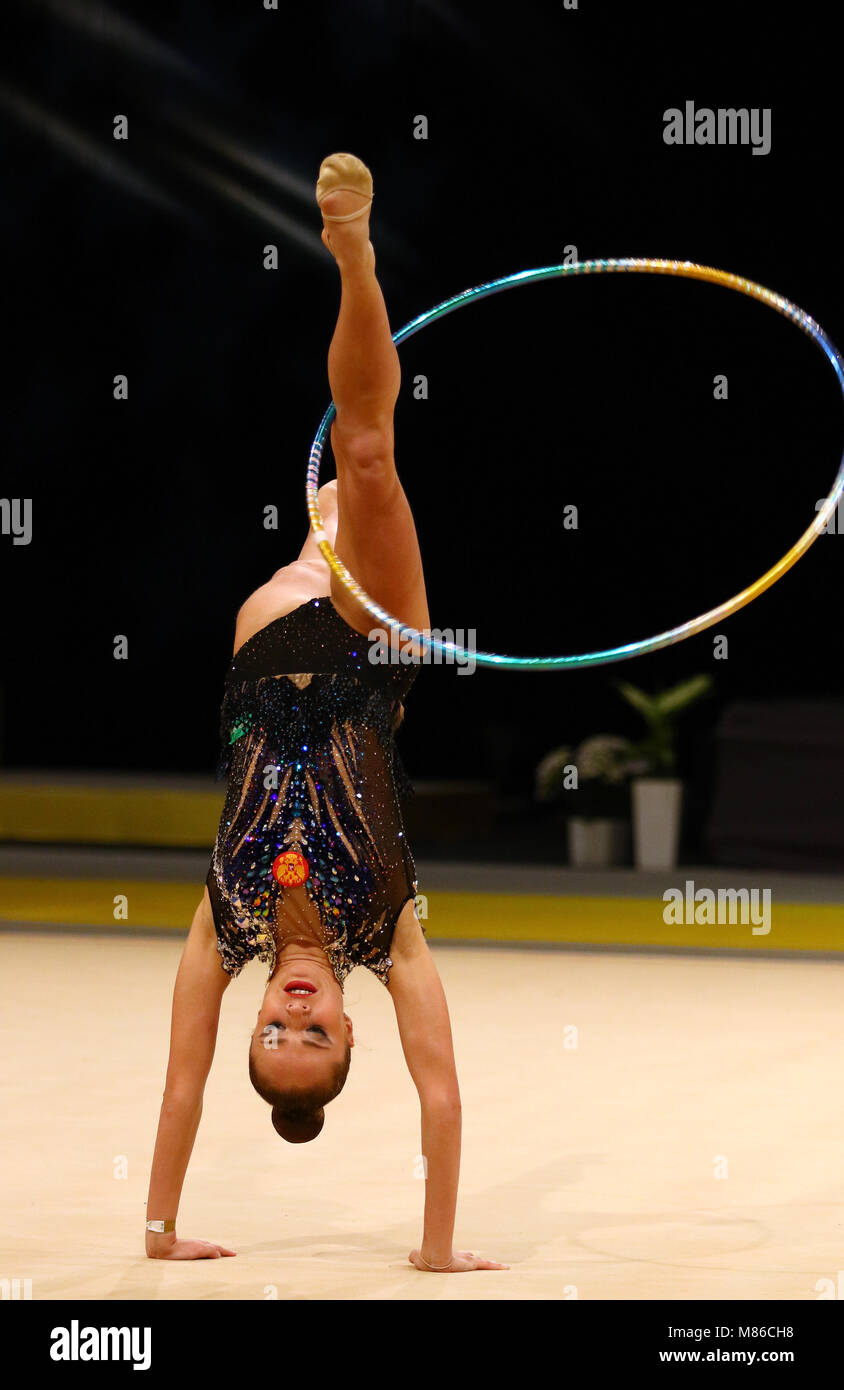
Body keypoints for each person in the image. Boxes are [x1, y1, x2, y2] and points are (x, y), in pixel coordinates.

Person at [144, 154, 508, 1274]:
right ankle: (351, 245)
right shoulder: (387, 928)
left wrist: (155, 1232)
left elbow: (181, 1084)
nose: (294, 1015)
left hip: (265, 648)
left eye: (276, 1032)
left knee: (343, 490)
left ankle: (352, 278)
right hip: (371, 655)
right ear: (352, 1033)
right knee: (365, 457)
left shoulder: (224, 922)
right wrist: (435, 1250)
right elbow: (441, 1092)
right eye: (315, 1037)